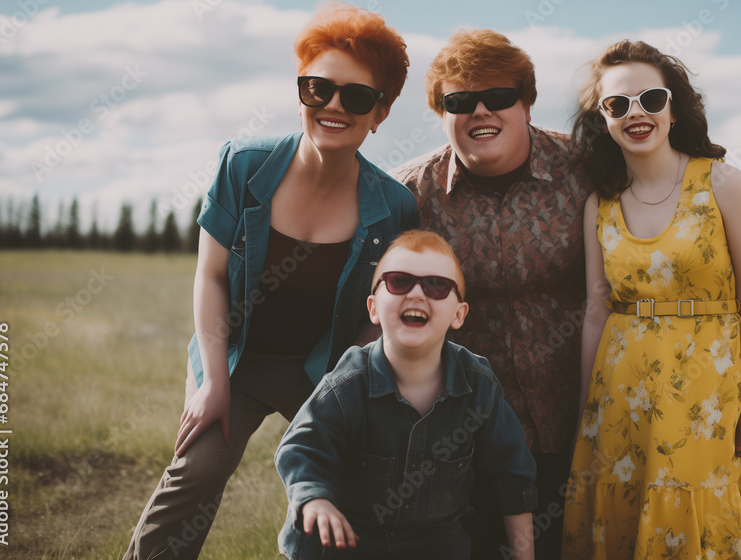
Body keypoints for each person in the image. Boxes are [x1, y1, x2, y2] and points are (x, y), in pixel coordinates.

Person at [123, 6, 417, 559]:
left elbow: (371, 318)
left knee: (347, 487)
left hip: (322, 369)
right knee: (197, 476)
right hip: (233, 360)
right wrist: (212, 381)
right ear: (301, 91)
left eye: (355, 97)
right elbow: (210, 275)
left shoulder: (394, 206)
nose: (333, 105)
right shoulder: (243, 166)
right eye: (318, 88)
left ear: (379, 112)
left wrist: (344, 397)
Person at [562, 40, 741, 559]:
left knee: (700, 514)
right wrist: (585, 409)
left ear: (674, 106)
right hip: (622, 396)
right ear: (603, 118)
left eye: (650, 98)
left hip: (711, 392)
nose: (635, 113)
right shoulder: (600, 201)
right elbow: (597, 310)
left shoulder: (724, 183)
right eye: (617, 105)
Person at [391, 28, 592, 559]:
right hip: (464, 429)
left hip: (581, 411)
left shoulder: (590, 171)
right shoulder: (407, 196)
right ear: (441, 113)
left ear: (525, 103)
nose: (481, 112)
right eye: (460, 101)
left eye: (498, 97)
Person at [275, 230, 537, 560]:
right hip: (346, 541)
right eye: (399, 281)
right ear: (373, 307)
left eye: (437, 285)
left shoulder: (478, 385)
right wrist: (315, 499)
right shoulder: (349, 382)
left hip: (433, 543)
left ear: (459, 314)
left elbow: (513, 474)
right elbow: (302, 448)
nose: (416, 293)